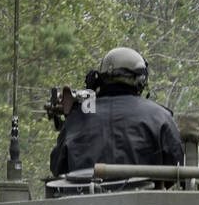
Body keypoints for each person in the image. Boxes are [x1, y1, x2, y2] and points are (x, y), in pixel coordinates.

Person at [49, 47, 183, 176]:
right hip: (145, 198)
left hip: (85, 198)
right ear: (141, 81)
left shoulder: (78, 117)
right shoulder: (159, 116)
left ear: (100, 79)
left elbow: (57, 167)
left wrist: (72, 119)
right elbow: (177, 169)